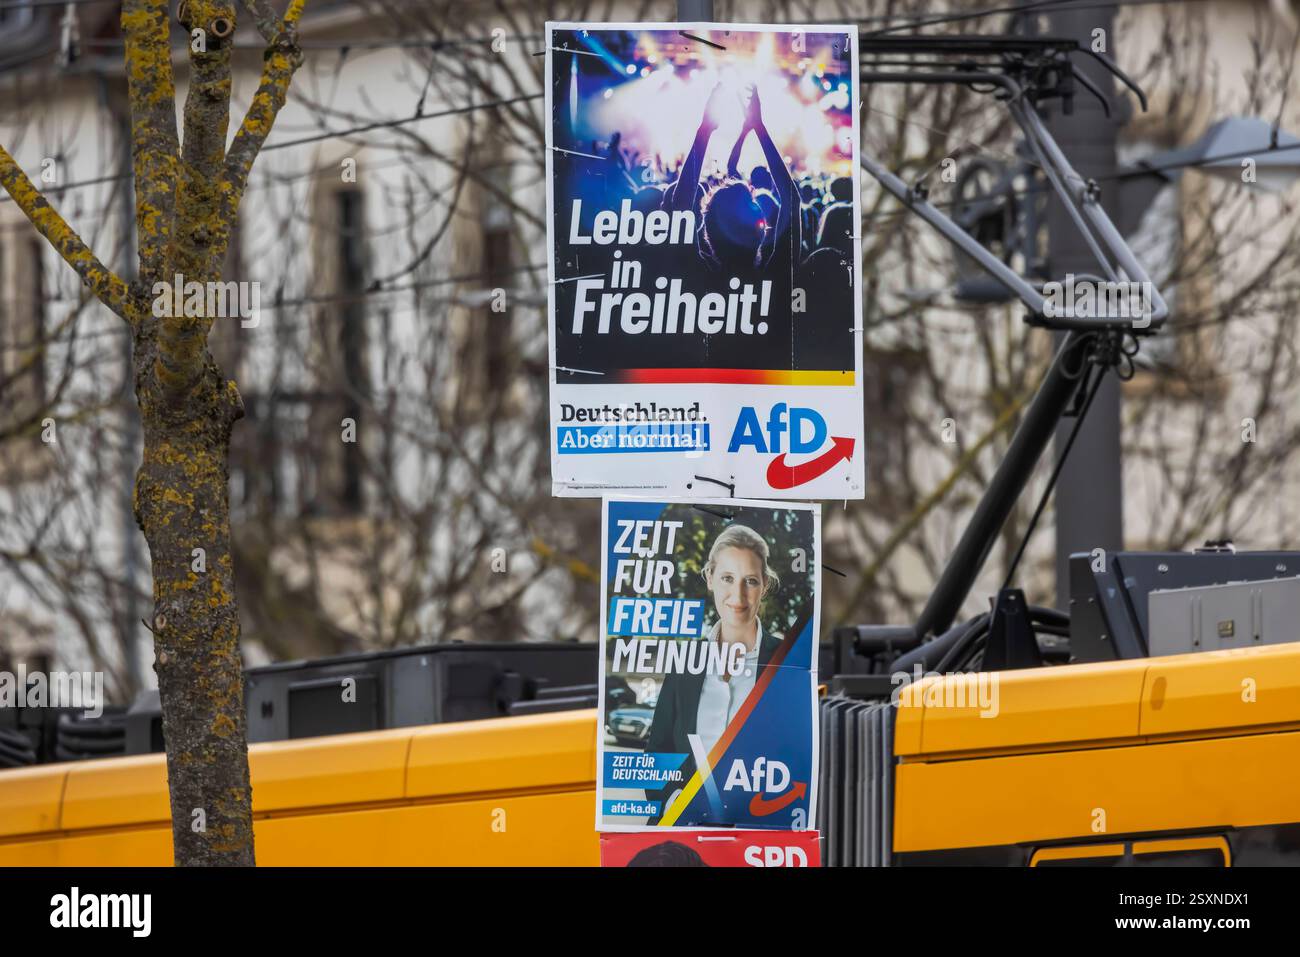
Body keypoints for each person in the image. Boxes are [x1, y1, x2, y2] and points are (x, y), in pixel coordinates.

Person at [643, 524, 782, 824]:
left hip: (756, 833)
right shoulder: (685, 661)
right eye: (727, 578)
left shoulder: (786, 662)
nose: (738, 595)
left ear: (766, 586)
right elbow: (658, 750)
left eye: (751, 581)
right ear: (710, 578)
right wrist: (673, 802)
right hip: (681, 830)